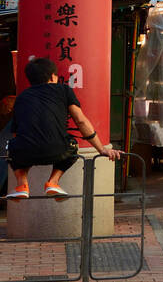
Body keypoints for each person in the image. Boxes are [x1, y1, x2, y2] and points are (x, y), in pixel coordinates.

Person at [6, 57, 120, 199]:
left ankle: (22, 184)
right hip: (57, 150)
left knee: (12, 148)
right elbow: (80, 121)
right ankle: (53, 182)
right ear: (53, 77)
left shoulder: (21, 97)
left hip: (25, 151)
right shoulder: (63, 90)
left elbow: (16, 132)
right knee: (72, 145)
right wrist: (101, 149)